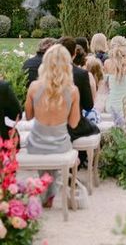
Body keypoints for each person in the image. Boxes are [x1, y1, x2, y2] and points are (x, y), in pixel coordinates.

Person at [25, 44, 80, 207]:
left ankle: (45, 190)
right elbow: (74, 123)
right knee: (60, 143)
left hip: (36, 144)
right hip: (60, 144)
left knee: (43, 143)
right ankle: (51, 191)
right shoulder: (72, 91)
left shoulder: (34, 87)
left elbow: (28, 117)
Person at [58, 37, 99, 142]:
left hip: (50, 126)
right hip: (73, 127)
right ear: (74, 54)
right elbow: (88, 105)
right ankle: (85, 156)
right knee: (95, 128)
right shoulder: (81, 74)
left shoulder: (47, 72)